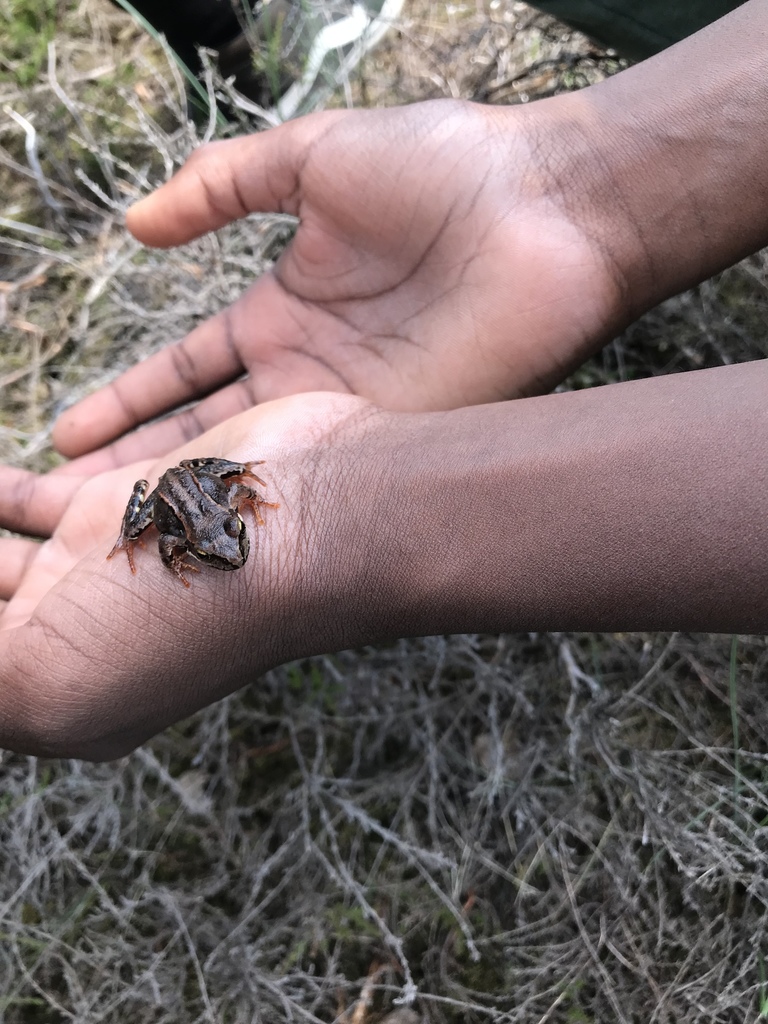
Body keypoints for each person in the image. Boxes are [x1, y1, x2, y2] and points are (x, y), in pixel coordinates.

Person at [0, 0, 766, 760]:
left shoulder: (223, 522)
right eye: (228, 537)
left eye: (226, 536)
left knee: (198, 482)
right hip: (175, 496)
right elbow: (181, 529)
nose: (228, 543)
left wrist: (333, 515)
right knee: (151, 512)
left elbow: (223, 492)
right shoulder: (187, 539)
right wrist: (568, 192)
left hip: (196, 482)